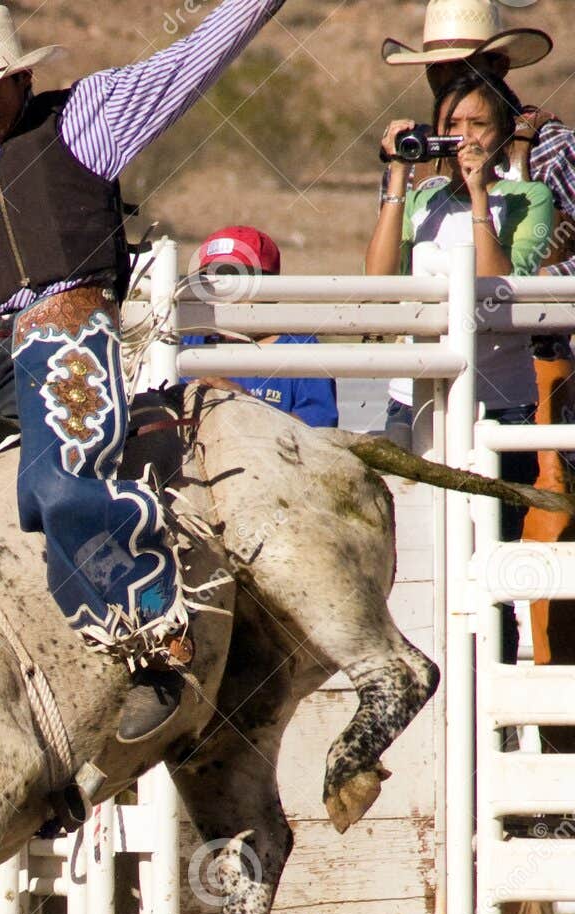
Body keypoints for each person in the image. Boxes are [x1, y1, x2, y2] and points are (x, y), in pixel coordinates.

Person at [0, 1, 288, 745]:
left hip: (68, 328)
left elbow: (195, 55)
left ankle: (157, 645)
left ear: (21, 77)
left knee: (57, 486)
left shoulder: (87, 116)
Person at [385, 0, 575, 734]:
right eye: (439, 75)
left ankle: (536, 743)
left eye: (461, 71)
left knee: (534, 571)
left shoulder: (551, 153)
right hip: (470, 382)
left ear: (496, 71)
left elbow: (531, 268)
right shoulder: (426, 176)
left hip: (539, 377)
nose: (448, 89)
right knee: (440, 560)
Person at [367, 71, 555, 663]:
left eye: (478, 125)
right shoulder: (420, 199)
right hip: (415, 398)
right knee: (421, 549)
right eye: (450, 127)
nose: (463, 138)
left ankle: (493, 694)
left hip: (501, 405)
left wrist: (479, 197)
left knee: (489, 555)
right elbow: (378, 283)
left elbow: (501, 286)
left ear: (504, 135)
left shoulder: (528, 199)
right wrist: (398, 176)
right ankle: (433, 687)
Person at [182, 225, 338, 427]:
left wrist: (244, 404)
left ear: (270, 288)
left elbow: (319, 431)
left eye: (236, 279)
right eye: (211, 280)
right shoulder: (189, 340)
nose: (224, 293)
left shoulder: (300, 347)